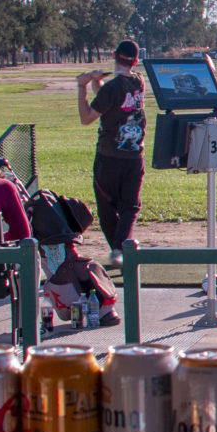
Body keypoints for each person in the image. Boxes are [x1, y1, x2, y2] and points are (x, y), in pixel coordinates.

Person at [79, 40, 146, 267]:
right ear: (135, 61)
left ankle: (118, 249)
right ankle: (120, 249)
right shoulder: (138, 81)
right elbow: (109, 99)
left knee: (107, 207)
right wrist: (97, 81)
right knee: (129, 206)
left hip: (109, 157)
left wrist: (81, 87)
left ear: (115, 55)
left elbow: (87, 117)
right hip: (134, 155)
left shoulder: (112, 88)